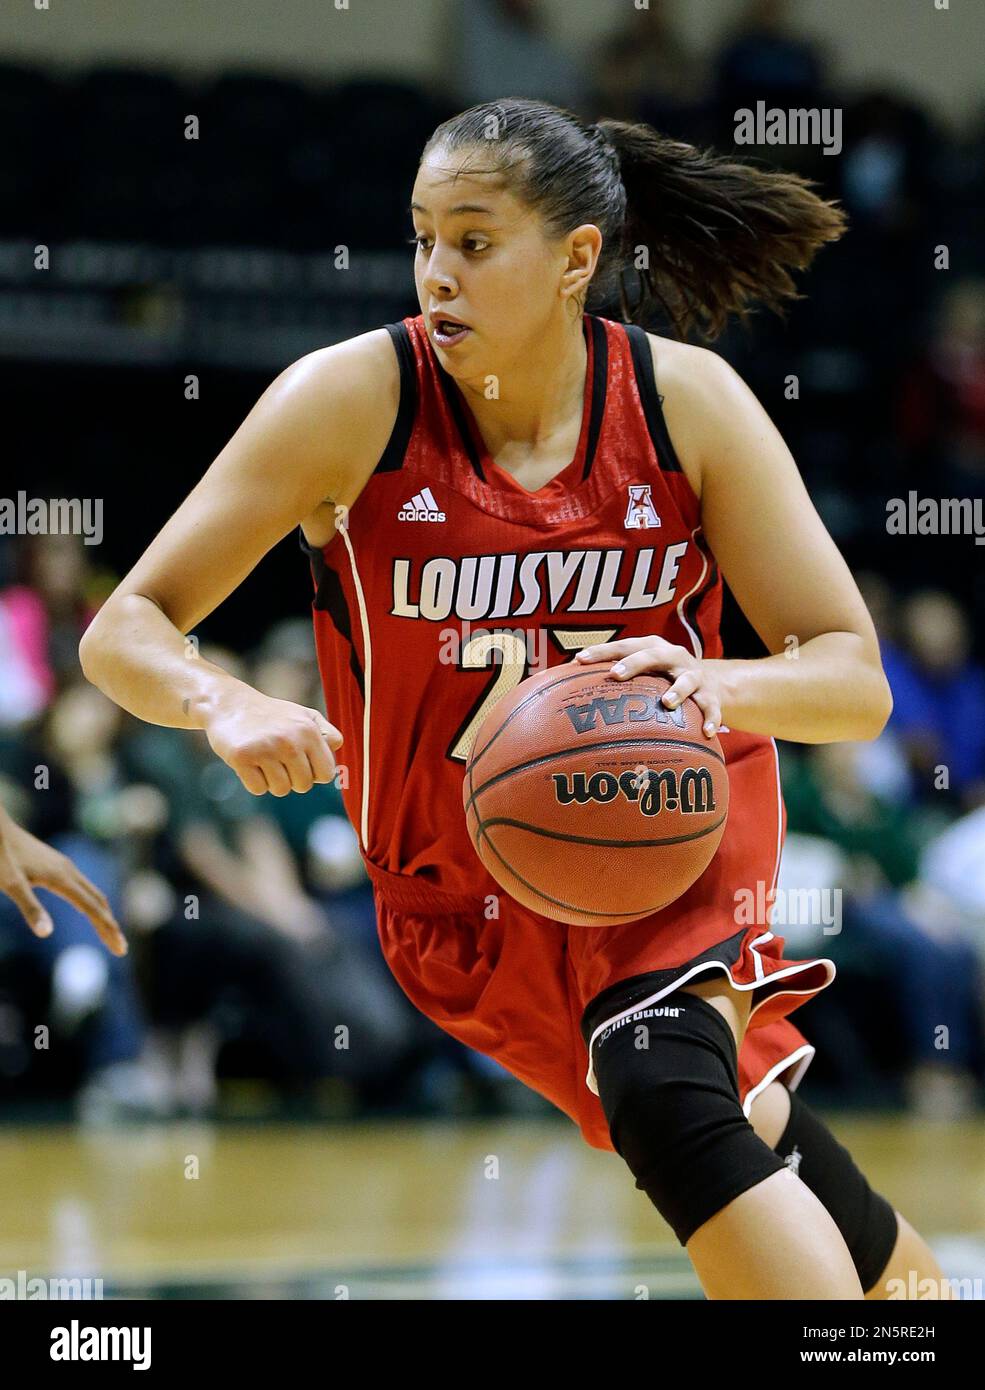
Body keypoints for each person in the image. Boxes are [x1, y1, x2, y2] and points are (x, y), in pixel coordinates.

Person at [79, 98, 951, 1299]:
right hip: (460, 904)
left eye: (475, 241)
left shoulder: (684, 403)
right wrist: (216, 701)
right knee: (761, 1142)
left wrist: (716, 680)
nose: (438, 271)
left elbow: (853, 680)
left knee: (664, 1090)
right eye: (422, 238)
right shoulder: (349, 402)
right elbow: (125, 626)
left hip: (669, 832)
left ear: (576, 259)